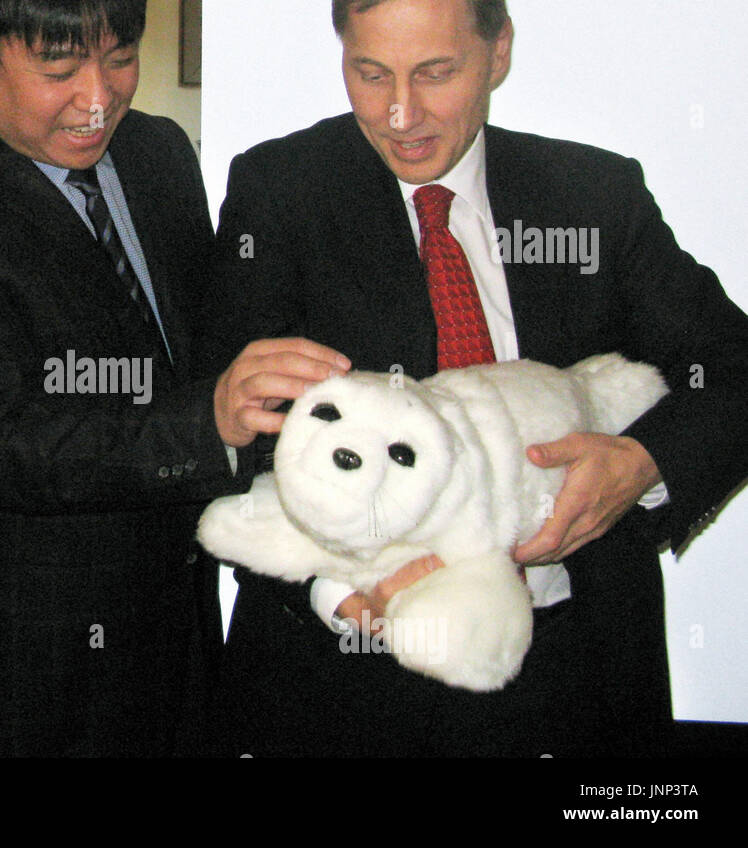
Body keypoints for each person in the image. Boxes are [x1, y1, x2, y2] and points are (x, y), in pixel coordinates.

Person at [200, 0, 748, 756]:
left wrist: (641, 464)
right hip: (345, 693)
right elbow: (234, 425)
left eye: (435, 73)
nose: (401, 113)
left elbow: (733, 370)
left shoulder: (593, 195)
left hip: (577, 675)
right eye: (370, 74)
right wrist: (337, 589)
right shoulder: (282, 191)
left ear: (499, 52)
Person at [0, 0, 343, 756]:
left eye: (119, 58)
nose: (97, 98)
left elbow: (189, 341)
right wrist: (207, 426)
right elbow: (8, 442)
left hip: (175, 627)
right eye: (59, 69)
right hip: (21, 664)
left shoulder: (156, 151)